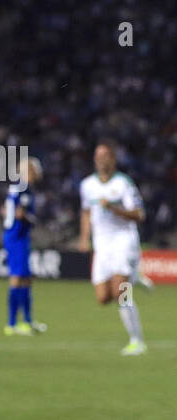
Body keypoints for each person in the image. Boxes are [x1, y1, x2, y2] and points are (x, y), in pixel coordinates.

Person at [79, 140, 147, 355]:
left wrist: (113, 208)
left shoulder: (123, 184)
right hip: (102, 245)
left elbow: (139, 214)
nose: (100, 160)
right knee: (102, 298)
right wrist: (84, 237)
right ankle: (134, 277)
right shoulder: (87, 185)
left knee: (121, 292)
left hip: (122, 240)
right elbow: (86, 212)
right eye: (97, 156)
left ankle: (137, 340)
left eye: (105, 156)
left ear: (113, 159)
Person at [3, 156, 48, 335]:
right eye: (34, 170)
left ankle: (27, 321)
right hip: (16, 237)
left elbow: (5, 209)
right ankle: (12, 323)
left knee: (26, 278)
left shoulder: (18, 188)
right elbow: (20, 213)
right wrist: (32, 219)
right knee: (17, 277)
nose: (37, 174)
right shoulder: (22, 189)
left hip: (18, 236)